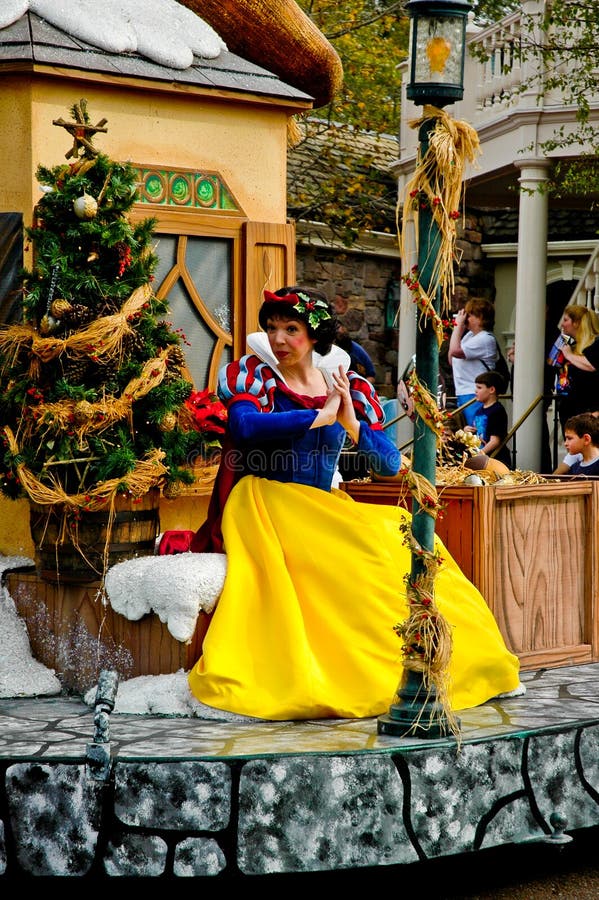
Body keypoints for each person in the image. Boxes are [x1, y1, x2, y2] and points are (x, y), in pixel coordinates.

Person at [160, 285, 521, 721]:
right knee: (337, 564)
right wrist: (316, 417)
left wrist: (350, 423)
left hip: (323, 502)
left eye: (290, 329)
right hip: (265, 500)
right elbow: (245, 428)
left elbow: (388, 463)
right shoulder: (253, 374)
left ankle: (443, 667)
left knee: (394, 543)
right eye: (272, 328)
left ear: (315, 337)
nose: (278, 339)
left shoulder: (346, 383)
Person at [448, 297, 499, 426]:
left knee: (475, 434)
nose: (466, 318)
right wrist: (458, 330)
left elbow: (455, 351)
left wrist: (457, 327)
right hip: (463, 392)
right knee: (464, 436)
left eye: (469, 315)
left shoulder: (485, 339)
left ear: (480, 317)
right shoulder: (469, 336)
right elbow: (451, 359)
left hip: (475, 394)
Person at [556, 305, 599, 433]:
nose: (562, 324)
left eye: (565, 320)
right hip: (569, 411)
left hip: (589, 413)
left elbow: (591, 365)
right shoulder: (572, 345)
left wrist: (569, 355)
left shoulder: (595, 344)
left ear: (576, 323)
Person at [467, 370, 512, 469]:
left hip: (496, 459)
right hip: (482, 458)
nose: (475, 391)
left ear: (491, 389)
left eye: (479, 388)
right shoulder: (479, 410)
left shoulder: (497, 411)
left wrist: (480, 453)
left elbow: (495, 440)